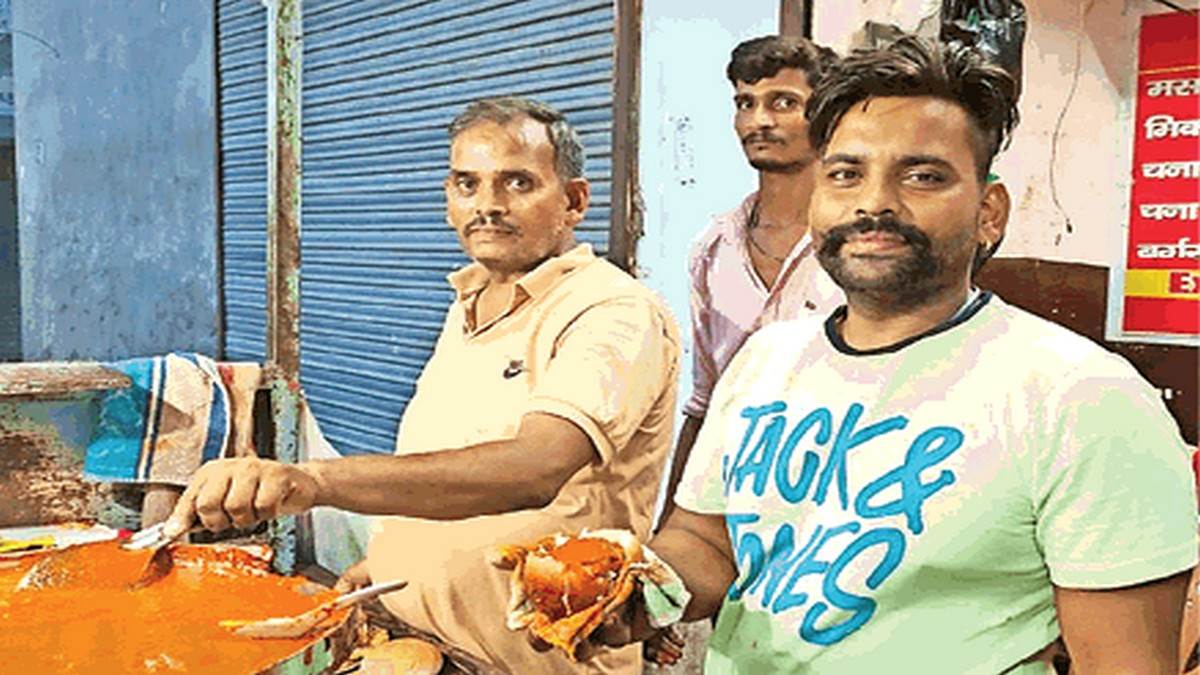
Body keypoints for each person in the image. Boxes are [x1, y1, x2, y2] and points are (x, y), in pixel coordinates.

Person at [595, 36, 1199, 674]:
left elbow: (1125, 666)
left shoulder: (1083, 398)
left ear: (989, 211)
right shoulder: (763, 360)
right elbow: (707, 541)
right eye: (845, 173)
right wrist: (637, 594)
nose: (874, 202)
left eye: (923, 176)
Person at [165, 96, 680, 674]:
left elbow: (535, 469)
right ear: (448, 199)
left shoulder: (612, 311)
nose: (488, 205)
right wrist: (388, 564)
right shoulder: (471, 301)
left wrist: (311, 481)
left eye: (518, 183)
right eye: (468, 184)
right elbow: (447, 463)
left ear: (574, 201)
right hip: (418, 646)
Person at [659, 35, 842, 527]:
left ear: (824, 115)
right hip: (732, 497)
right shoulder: (713, 248)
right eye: (746, 103)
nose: (759, 120)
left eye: (783, 103)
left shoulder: (857, 242)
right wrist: (672, 525)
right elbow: (704, 402)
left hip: (838, 496)